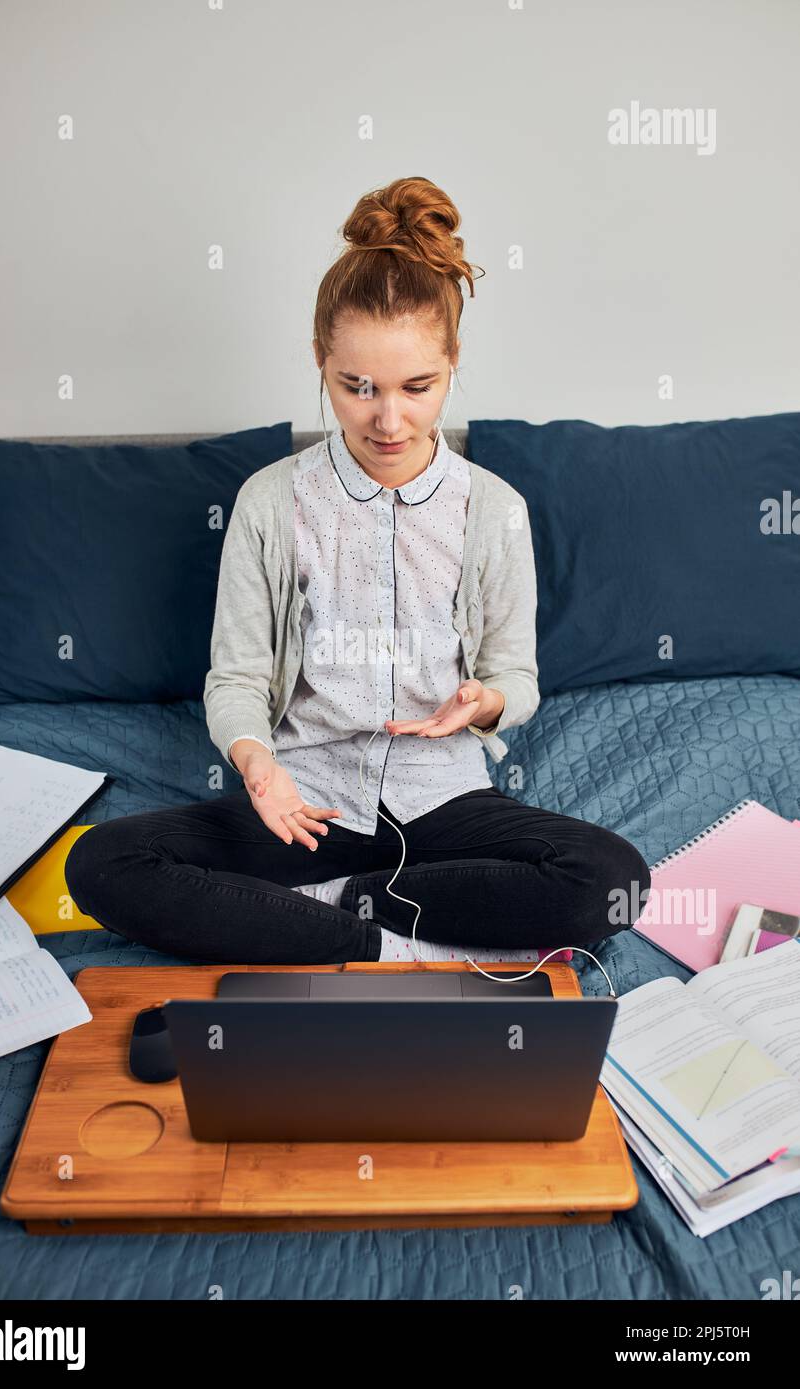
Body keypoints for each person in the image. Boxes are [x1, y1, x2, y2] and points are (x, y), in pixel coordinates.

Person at [64, 175, 650, 965]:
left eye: (419, 387)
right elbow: (236, 678)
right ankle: (380, 940)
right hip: (307, 804)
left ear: (453, 364)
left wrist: (484, 702)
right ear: (320, 361)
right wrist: (257, 766)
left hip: (443, 800)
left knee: (611, 881)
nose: (388, 419)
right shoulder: (270, 503)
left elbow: (519, 675)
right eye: (357, 387)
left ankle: (348, 902)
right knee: (103, 864)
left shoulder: (496, 509)